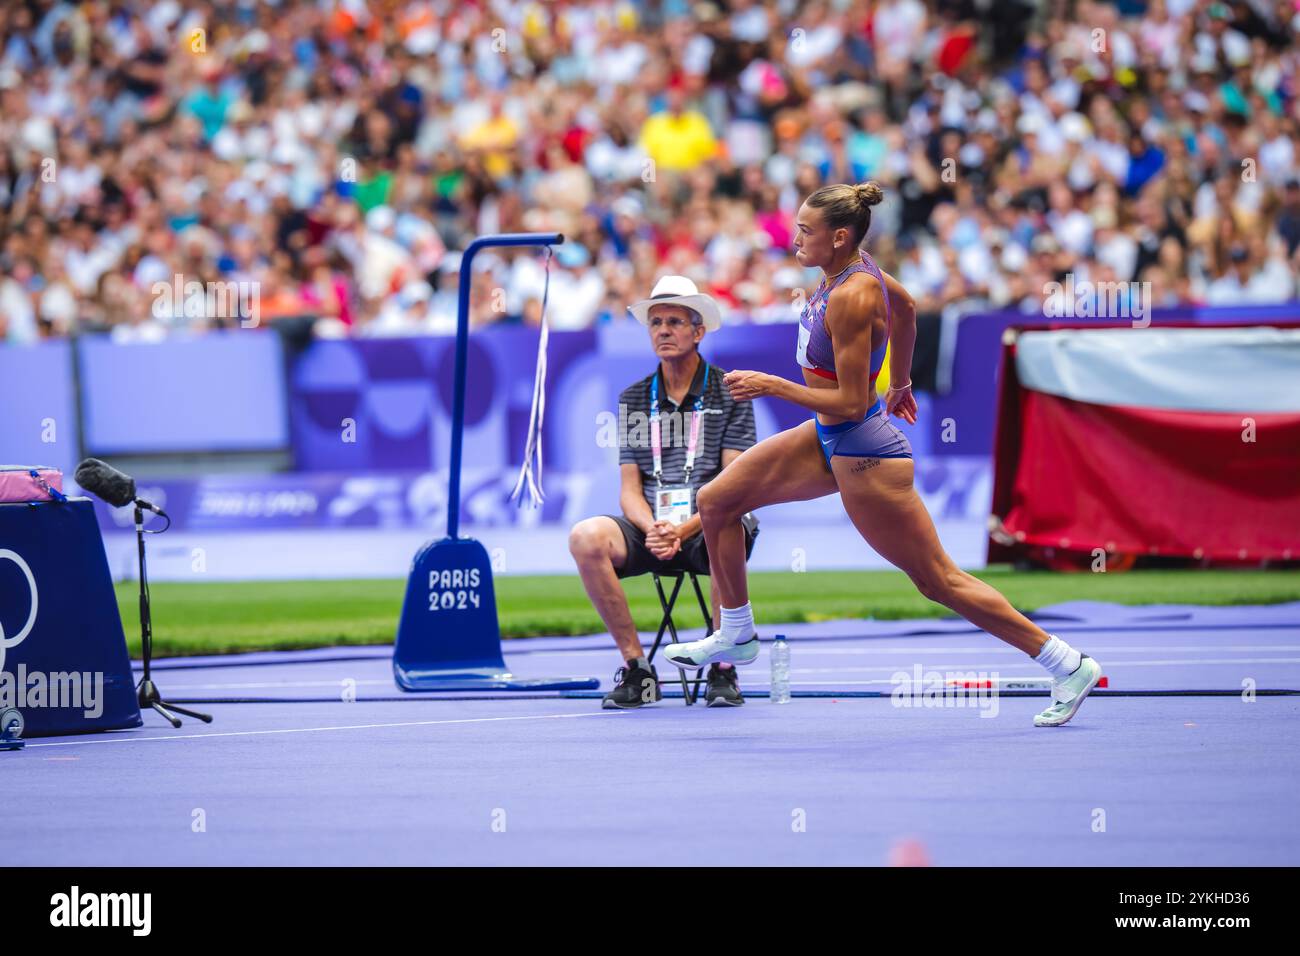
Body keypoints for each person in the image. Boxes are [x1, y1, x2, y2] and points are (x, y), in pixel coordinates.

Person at [661, 183, 1104, 727]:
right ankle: (736, 632)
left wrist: (773, 386)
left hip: (862, 449)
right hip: (828, 437)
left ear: (839, 237)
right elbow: (910, 306)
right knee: (717, 502)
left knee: (937, 579)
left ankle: (1066, 663)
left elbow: (849, 402)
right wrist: (900, 381)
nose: (794, 238)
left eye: (806, 231)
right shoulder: (851, 270)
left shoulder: (852, 295)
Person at [568, 275, 759, 709]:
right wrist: (652, 527)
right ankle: (637, 669)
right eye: (656, 323)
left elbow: (737, 486)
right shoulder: (635, 398)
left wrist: (687, 528)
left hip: (708, 522)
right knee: (585, 536)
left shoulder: (730, 392)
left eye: (675, 321)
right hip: (652, 525)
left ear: (698, 331)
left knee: (725, 521)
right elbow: (629, 489)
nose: (664, 331)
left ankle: (722, 669)